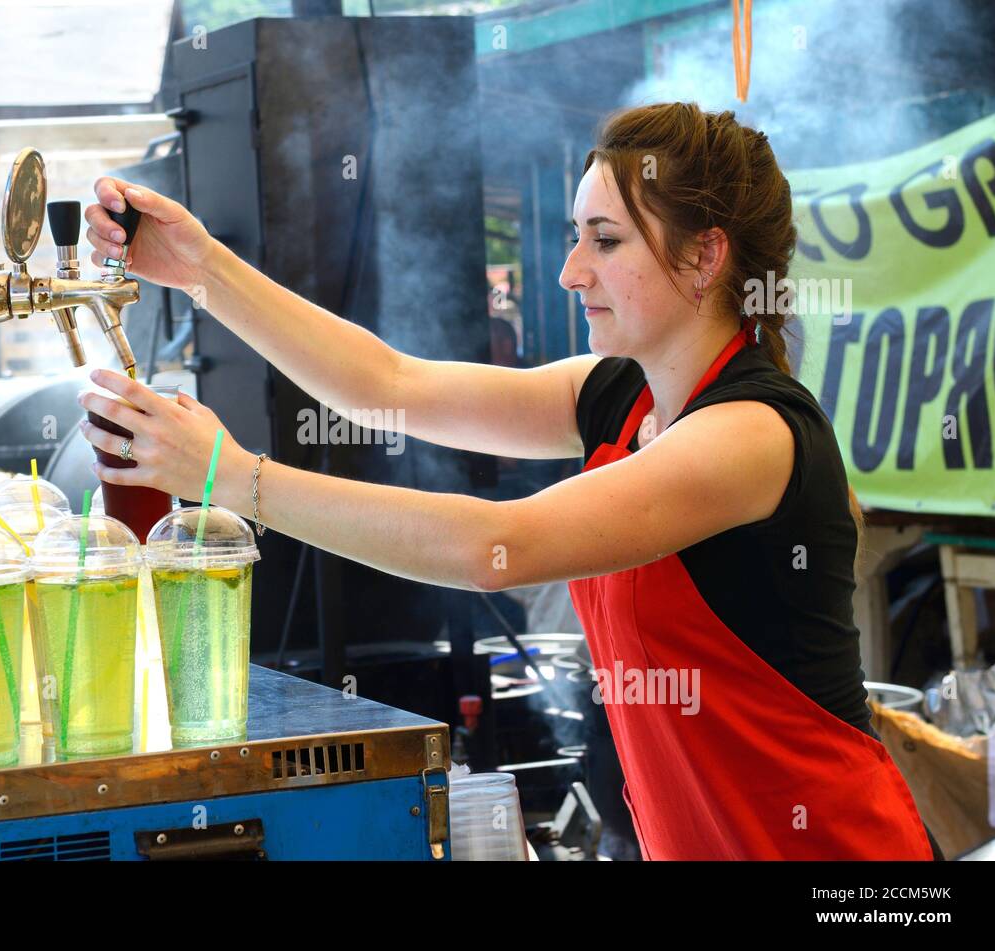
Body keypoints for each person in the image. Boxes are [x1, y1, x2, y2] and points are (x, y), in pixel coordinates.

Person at [78, 102, 938, 860]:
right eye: (576, 236)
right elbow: (388, 386)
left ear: (705, 255)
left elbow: (494, 546)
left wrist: (231, 476)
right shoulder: (617, 396)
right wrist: (200, 268)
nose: (571, 271)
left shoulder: (751, 435)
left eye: (605, 240)